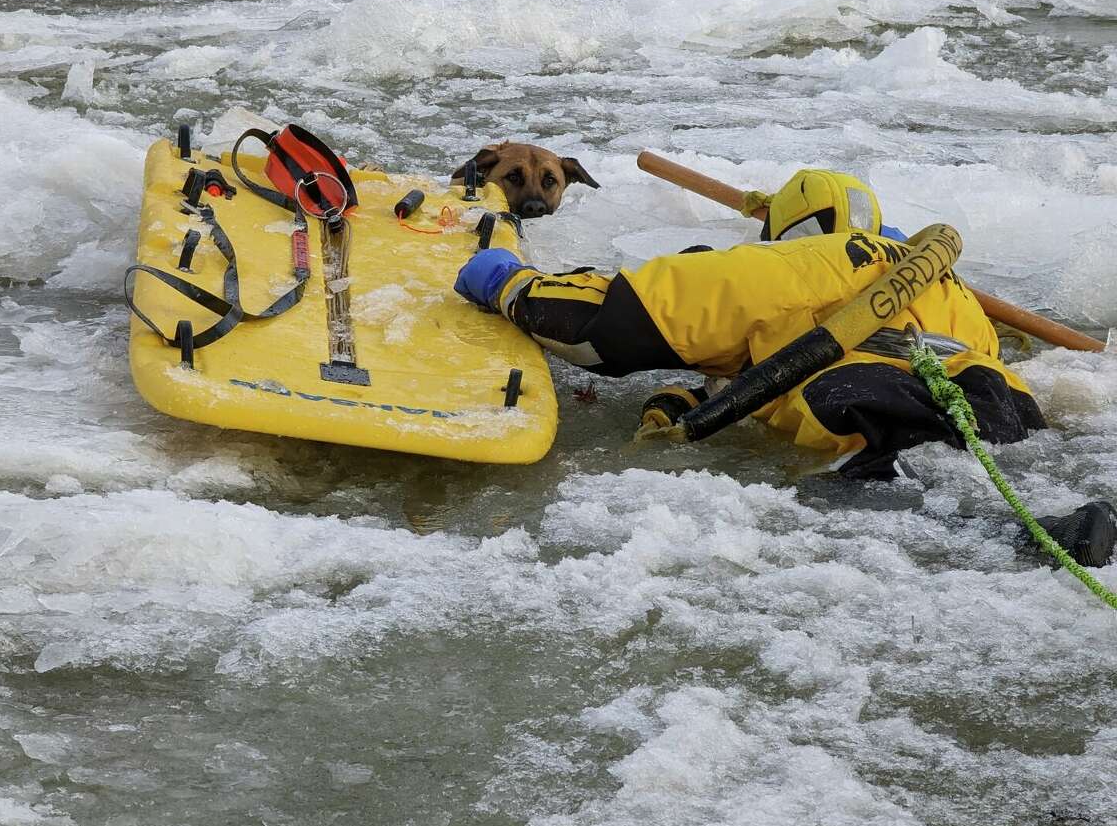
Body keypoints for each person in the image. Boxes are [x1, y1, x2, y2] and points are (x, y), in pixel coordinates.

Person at [455, 168, 1116, 568]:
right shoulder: (949, 287)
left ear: (785, 231)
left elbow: (612, 325)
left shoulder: (788, 267)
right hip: (1002, 412)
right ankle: (1045, 525)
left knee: (918, 502)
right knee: (965, 487)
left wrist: (512, 286)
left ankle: (1028, 535)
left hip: (863, 412)